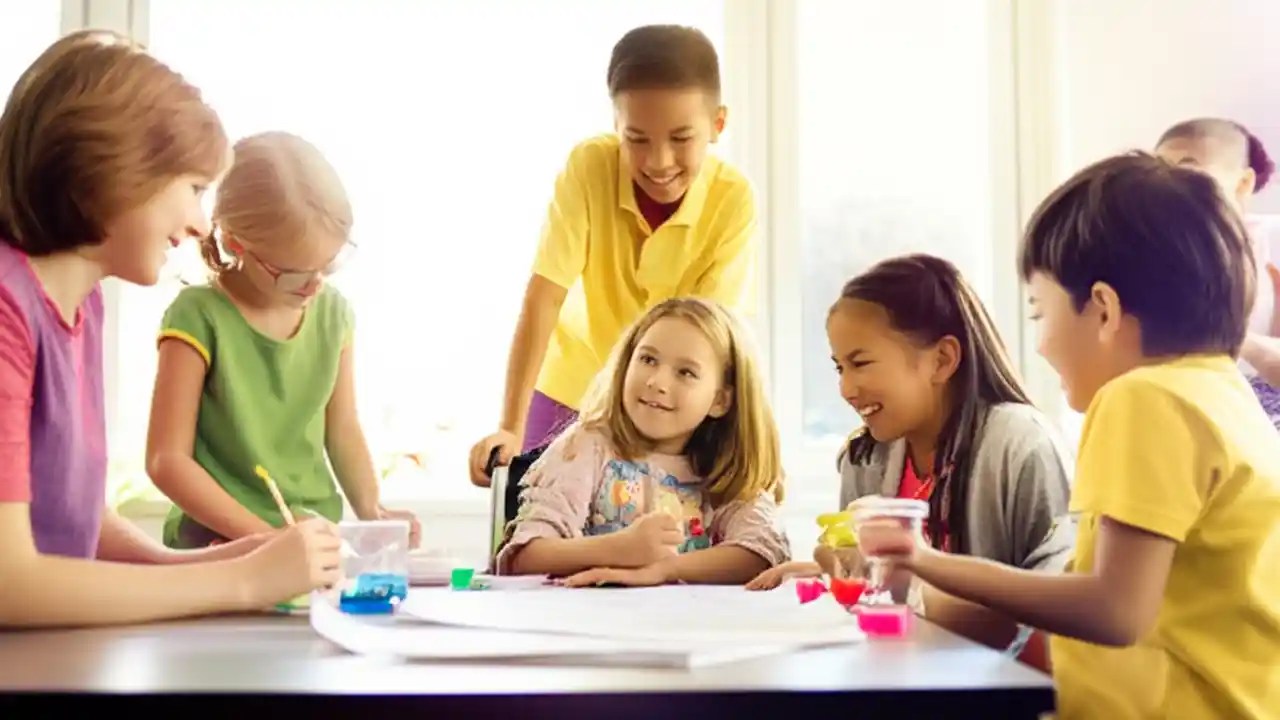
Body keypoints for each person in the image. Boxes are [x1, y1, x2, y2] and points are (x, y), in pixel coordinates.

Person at [858, 153, 1280, 719]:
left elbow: (1114, 611)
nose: (1040, 344)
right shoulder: (1226, 394)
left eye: (1039, 312)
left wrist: (924, 559)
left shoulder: (1143, 399)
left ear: (1102, 309)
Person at [0, 31, 340, 627]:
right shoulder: (6, 308)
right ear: (113, 170)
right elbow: (11, 581)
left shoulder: (80, 308)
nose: (199, 222)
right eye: (192, 189)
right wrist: (239, 580)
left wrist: (200, 564)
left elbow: (63, 518)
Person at [746, 255, 1074, 668]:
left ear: (941, 360)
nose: (846, 389)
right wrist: (831, 570)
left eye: (860, 363)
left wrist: (911, 588)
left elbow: (1059, 624)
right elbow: (871, 590)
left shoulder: (1020, 446)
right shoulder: (864, 458)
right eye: (839, 367)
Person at [468, 24, 758, 486]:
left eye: (681, 138)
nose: (658, 161)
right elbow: (545, 295)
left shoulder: (733, 200)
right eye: (637, 139)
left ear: (717, 125)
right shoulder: (589, 167)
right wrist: (510, 425)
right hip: (570, 390)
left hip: (667, 405)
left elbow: (709, 337)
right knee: (533, 519)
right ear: (616, 126)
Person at [147, 131, 420, 549]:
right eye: (294, 273)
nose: (314, 286)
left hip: (311, 536)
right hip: (218, 542)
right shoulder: (198, 316)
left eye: (328, 266)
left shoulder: (334, 314)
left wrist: (373, 511)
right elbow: (167, 461)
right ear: (237, 243)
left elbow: (342, 428)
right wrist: (267, 539)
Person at [494, 297, 788, 586]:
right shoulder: (587, 447)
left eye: (685, 372)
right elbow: (523, 556)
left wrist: (665, 569)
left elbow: (763, 553)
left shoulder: (725, 466)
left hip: (692, 629)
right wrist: (619, 549)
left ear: (720, 400)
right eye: (648, 359)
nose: (656, 382)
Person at [1155, 118, 1280, 427]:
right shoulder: (1149, 249)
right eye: (1158, 173)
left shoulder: (1273, 240)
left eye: (1189, 173)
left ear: (1243, 185)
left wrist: (1238, 341)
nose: (1169, 188)